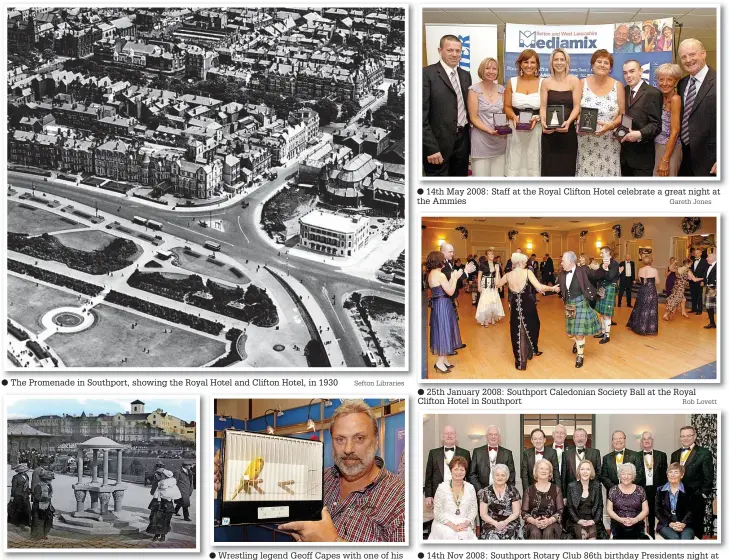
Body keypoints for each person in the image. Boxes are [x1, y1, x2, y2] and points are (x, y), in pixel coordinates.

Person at [279, 400, 405, 542]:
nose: (348, 449)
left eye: (359, 438)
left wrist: (332, 543)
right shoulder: (320, 480)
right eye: (340, 439)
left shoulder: (401, 500)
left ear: (376, 441)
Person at [495, 252, 559, 370]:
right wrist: (553, 288)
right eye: (525, 262)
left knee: (517, 330)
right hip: (528, 304)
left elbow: (497, 284)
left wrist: (497, 271)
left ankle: (521, 362)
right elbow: (539, 287)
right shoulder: (527, 272)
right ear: (520, 262)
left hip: (515, 306)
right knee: (533, 325)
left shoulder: (508, 275)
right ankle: (531, 350)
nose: (526, 263)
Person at [422, 35, 472, 176]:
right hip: (438, 146)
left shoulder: (465, 75)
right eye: (450, 50)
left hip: (462, 143)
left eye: (458, 51)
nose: (455, 54)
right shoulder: (426, 74)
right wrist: (430, 148)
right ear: (440, 50)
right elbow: (420, 117)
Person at [576, 50, 624, 177]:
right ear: (592, 64)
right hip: (586, 141)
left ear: (610, 68)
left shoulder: (618, 85)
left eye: (606, 63)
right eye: (599, 61)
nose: (602, 65)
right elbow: (576, 110)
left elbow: (622, 115)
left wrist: (612, 125)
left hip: (609, 141)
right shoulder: (581, 83)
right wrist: (581, 122)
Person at [557, 251, 607, 367]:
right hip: (569, 305)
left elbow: (595, 275)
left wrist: (603, 267)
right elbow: (560, 288)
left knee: (579, 333)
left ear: (570, 261)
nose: (561, 262)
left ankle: (580, 356)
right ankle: (577, 342)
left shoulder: (582, 270)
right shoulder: (562, 274)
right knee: (570, 334)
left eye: (563, 260)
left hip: (581, 302)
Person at [427, 250, 473, 373]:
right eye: (442, 259)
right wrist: (454, 277)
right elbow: (451, 292)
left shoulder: (431, 274)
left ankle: (445, 360)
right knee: (444, 330)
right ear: (439, 260)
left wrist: (454, 277)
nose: (444, 261)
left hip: (439, 304)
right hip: (443, 304)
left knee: (443, 329)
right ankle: (439, 362)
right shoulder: (440, 275)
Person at [676, 39, 716, 176]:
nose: (688, 60)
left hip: (712, 161)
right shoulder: (682, 83)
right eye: (684, 57)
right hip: (686, 156)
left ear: (703, 54)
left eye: (692, 54)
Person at [540, 49, 581, 176]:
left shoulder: (574, 81)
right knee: (549, 170)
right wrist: (543, 123)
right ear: (551, 62)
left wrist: (568, 123)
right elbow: (542, 107)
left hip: (568, 133)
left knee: (567, 169)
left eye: (562, 59)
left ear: (567, 62)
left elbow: (577, 107)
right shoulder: (545, 82)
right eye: (556, 59)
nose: (559, 63)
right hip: (549, 134)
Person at [670, 425, 714, 539]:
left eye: (688, 435)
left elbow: (708, 477)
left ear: (694, 436)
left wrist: (702, 494)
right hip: (678, 497)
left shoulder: (704, 453)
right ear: (680, 438)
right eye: (683, 436)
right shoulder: (674, 454)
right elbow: (672, 475)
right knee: (679, 527)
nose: (685, 438)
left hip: (696, 498)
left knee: (696, 527)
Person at [504, 49, 542, 176]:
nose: (529, 65)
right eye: (526, 62)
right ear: (520, 64)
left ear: (537, 65)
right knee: (515, 160)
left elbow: (546, 108)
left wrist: (538, 118)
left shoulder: (544, 83)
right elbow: (507, 106)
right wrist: (514, 117)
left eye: (533, 62)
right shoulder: (512, 82)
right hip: (515, 128)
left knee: (533, 160)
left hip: (536, 129)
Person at [621, 60, 662, 176]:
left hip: (642, 158)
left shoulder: (653, 93)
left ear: (640, 72)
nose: (628, 76)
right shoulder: (622, 91)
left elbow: (656, 125)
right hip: (623, 158)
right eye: (625, 73)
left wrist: (639, 134)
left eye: (632, 71)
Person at [468, 57, 508, 176]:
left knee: (498, 180)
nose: (491, 71)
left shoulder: (502, 90)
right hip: (481, 140)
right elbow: (473, 118)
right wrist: (489, 130)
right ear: (482, 70)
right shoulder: (474, 90)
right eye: (488, 68)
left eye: (494, 69)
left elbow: (504, 113)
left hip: (499, 141)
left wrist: (504, 126)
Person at [428, 456, 478, 540]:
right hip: (444, 523)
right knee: (450, 536)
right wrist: (452, 526)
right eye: (456, 469)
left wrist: (465, 523)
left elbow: (473, 509)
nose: (459, 472)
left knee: (464, 536)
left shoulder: (470, 488)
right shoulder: (442, 487)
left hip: (463, 522)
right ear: (451, 471)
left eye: (462, 470)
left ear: (465, 471)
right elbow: (437, 512)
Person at [424, 426, 472, 512]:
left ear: (456, 436)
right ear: (442, 436)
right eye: (446, 433)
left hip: (460, 493)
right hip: (438, 493)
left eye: (452, 433)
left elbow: (469, 475)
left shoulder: (465, 453)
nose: (449, 436)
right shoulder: (433, 453)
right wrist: (428, 495)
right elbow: (429, 475)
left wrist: (469, 493)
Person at [478, 463, 523, 540]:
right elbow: (483, 514)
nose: (500, 477)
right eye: (497, 475)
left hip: (510, 522)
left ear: (507, 477)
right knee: (492, 534)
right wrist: (496, 523)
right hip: (491, 523)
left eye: (503, 475)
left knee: (510, 532)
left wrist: (505, 522)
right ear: (493, 476)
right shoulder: (485, 491)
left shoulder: (513, 490)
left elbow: (516, 513)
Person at [565, 460, 608, 540]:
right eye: (582, 469)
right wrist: (578, 521)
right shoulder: (571, 486)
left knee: (592, 535)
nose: (585, 472)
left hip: (592, 520)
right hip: (576, 520)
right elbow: (569, 507)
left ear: (591, 471)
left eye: (588, 469)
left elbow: (599, 506)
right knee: (582, 535)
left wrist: (594, 521)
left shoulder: (597, 486)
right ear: (579, 471)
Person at [656, 463, 699, 540]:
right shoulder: (660, 490)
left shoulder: (690, 490)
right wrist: (670, 524)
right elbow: (657, 510)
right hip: (666, 523)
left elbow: (692, 510)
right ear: (667, 475)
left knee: (685, 539)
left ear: (682, 475)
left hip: (686, 524)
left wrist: (683, 523)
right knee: (674, 538)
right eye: (670, 472)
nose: (673, 475)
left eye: (676, 472)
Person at [522, 459, 564, 540]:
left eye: (546, 469)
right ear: (536, 471)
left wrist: (549, 521)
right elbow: (524, 512)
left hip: (552, 522)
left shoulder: (556, 489)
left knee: (548, 532)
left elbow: (560, 511)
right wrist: (534, 521)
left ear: (550, 473)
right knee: (535, 532)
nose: (544, 471)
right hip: (532, 522)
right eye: (541, 468)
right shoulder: (528, 490)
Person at [654, 63, 683, 176]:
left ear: (675, 81)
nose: (665, 83)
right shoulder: (660, 97)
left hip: (670, 149)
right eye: (661, 80)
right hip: (658, 146)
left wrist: (665, 159)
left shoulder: (675, 99)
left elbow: (675, 132)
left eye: (669, 80)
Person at [607, 463, 649, 539]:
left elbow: (645, 510)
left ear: (633, 476)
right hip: (618, 524)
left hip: (637, 524)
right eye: (623, 474)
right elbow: (609, 510)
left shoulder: (640, 490)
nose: (626, 477)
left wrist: (635, 520)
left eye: (629, 474)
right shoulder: (613, 490)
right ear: (619, 475)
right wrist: (620, 519)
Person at [469, 425, 516, 492]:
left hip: (502, 493)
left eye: (495, 434)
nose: (493, 437)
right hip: (481, 492)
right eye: (490, 434)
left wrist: (506, 491)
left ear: (499, 437)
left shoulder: (507, 453)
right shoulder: (477, 452)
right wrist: (480, 490)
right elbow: (472, 474)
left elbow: (511, 475)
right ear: (486, 436)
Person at [640, 431, 668, 538]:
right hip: (641, 489)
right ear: (641, 441)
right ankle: (641, 535)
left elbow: (665, 475)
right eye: (644, 439)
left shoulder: (661, 455)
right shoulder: (636, 455)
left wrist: (663, 491)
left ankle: (652, 535)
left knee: (654, 513)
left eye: (649, 438)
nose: (646, 440)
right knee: (641, 513)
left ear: (652, 440)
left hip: (656, 489)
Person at [626, 254, 659, 336]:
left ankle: (637, 326)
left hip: (642, 290)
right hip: (651, 290)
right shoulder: (654, 270)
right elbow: (657, 282)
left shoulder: (640, 269)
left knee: (640, 307)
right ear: (651, 261)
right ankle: (648, 328)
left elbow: (640, 280)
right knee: (650, 308)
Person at [593, 246, 620, 343]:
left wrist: (604, 269)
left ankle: (607, 336)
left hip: (609, 288)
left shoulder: (614, 264)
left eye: (602, 253)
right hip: (601, 288)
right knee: (601, 312)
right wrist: (599, 269)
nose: (600, 254)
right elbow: (597, 276)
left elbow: (610, 277)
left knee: (607, 314)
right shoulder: (602, 264)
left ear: (608, 253)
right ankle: (603, 332)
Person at [521, 429, 559, 494]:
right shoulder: (526, 453)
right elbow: (524, 475)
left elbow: (556, 473)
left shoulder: (552, 452)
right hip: (532, 489)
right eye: (535, 439)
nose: (538, 441)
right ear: (532, 441)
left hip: (548, 489)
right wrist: (527, 492)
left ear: (544, 440)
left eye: (540, 439)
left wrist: (558, 492)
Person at [147, 469, 180, 542]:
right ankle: (157, 534)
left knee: (164, 520)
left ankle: (162, 535)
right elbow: (154, 492)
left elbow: (172, 494)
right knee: (156, 519)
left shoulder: (168, 483)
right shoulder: (161, 482)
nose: (156, 476)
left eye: (157, 475)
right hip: (161, 503)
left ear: (162, 476)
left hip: (165, 504)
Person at [475, 250, 505, 327]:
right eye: (489, 254)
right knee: (485, 301)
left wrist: (500, 285)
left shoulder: (496, 264)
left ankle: (492, 318)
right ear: (486, 256)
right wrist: (479, 286)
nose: (491, 255)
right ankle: (485, 320)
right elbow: (479, 276)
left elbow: (498, 275)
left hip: (494, 284)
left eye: (492, 254)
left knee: (493, 300)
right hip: (485, 284)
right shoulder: (482, 264)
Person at [30, 470, 54, 540]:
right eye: (49, 480)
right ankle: (35, 536)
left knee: (47, 520)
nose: (50, 481)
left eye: (51, 479)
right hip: (38, 507)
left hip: (47, 506)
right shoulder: (38, 486)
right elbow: (36, 497)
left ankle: (44, 534)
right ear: (45, 479)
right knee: (38, 522)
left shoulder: (49, 486)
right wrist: (44, 499)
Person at [8, 463, 32, 527]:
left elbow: (27, 486)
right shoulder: (16, 477)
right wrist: (12, 496)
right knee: (18, 509)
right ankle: (16, 522)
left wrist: (29, 491)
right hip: (18, 494)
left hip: (25, 494)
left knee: (27, 509)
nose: (26, 471)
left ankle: (26, 522)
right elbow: (14, 487)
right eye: (25, 470)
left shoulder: (26, 476)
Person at [689, 248, 708, 315]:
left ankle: (699, 310)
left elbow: (705, 272)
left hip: (700, 281)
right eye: (695, 253)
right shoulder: (692, 261)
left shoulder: (704, 261)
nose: (696, 254)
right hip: (692, 282)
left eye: (697, 253)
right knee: (693, 295)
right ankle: (693, 309)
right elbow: (690, 270)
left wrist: (703, 281)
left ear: (700, 253)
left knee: (699, 296)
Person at [548, 424, 568, 488]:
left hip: (567, 486)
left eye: (562, 433)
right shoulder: (546, 449)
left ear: (565, 436)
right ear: (553, 435)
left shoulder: (572, 449)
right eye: (557, 432)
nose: (559, 435)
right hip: (549, 484)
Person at [701, 252, 717, 329]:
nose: (706, 258)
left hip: (715, 288)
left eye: (708, 257)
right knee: (709, 306)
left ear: (713, 258)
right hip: (709, 288)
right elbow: (706, 276)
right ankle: (712, 323)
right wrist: (703, 281)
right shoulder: (708, 266)